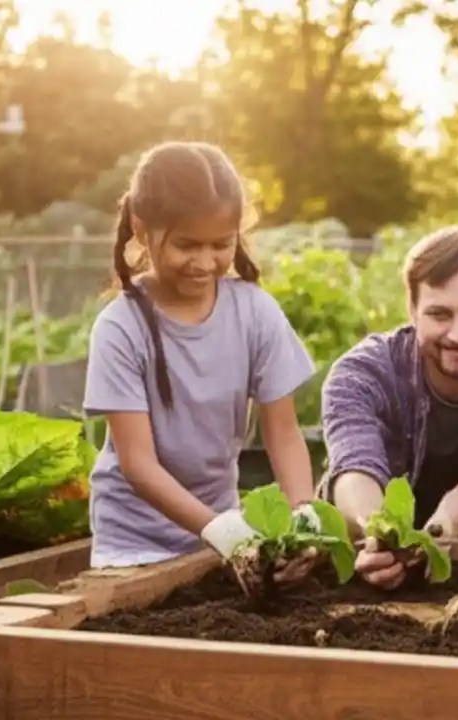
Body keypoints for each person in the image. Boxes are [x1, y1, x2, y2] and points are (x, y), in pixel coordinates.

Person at [83, 141, 319, 577]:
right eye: (188, 245)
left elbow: (283, 432)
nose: (205, 262)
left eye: (220, 244)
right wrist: (219, 530)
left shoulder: (254, 312)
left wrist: (302, 508)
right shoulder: (120, 328)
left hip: (221, 541)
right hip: (133, 546)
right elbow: (138, 465)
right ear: (140, 229)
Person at [319, 226, 458, 589]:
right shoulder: (362, 373)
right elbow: (354, 466)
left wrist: (439, 533)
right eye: (439, 315)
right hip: (359, 561)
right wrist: (381, 535)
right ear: (412, 309)